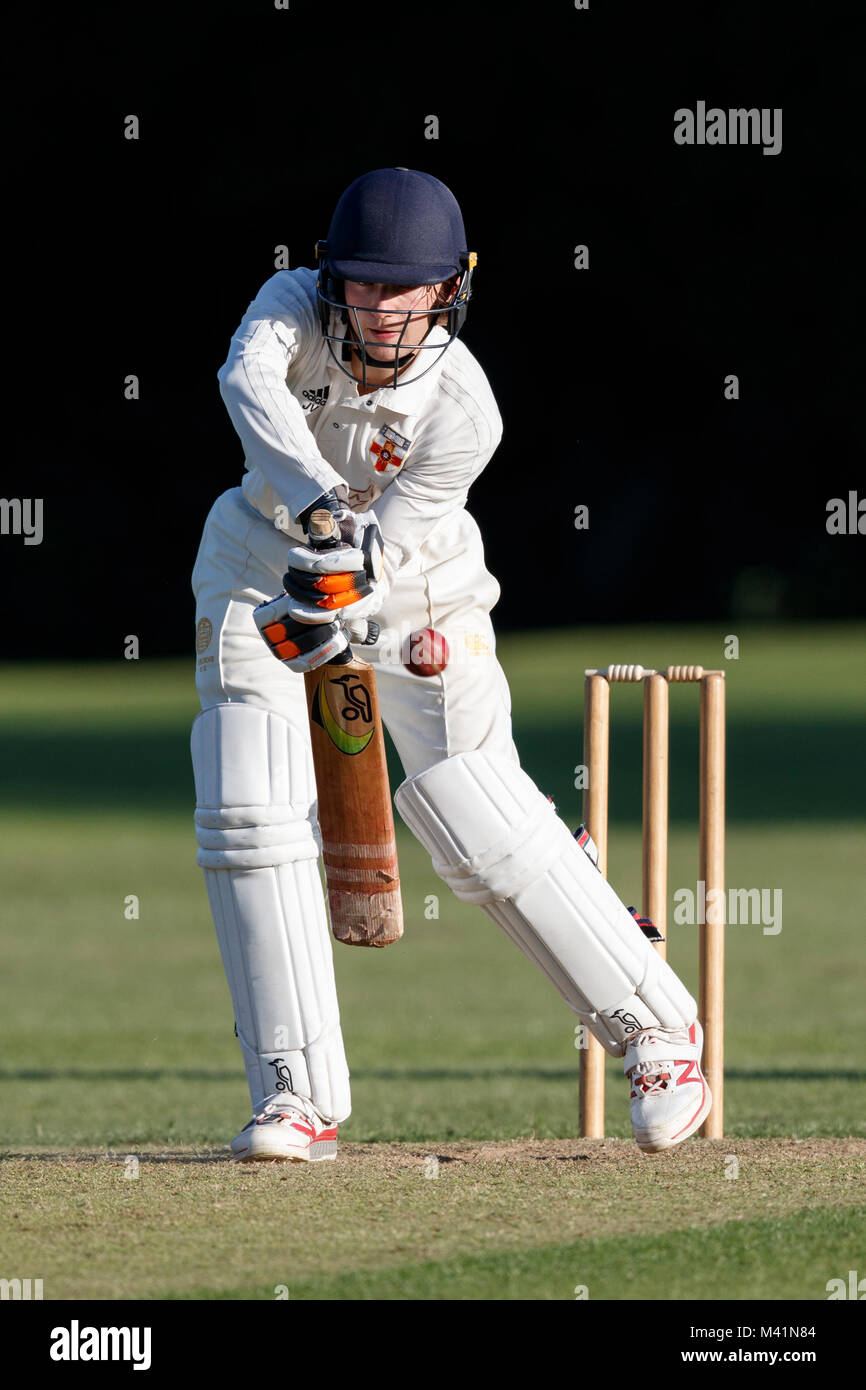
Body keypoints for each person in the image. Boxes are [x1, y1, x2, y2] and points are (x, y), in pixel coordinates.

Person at [190, 167, 711, 1162]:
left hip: (416, 586)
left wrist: (341, 586)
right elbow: (244, 385)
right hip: (258, 561)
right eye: (360, 284)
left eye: (404, 289)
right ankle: (296, 1095)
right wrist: (312, 516)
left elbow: (386, 548)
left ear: (446, 289)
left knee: (471, 812)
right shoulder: (283, 313)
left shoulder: (461, 408)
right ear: (326, 275)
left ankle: (657, 1031)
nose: (379, 308)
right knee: (247, 801)